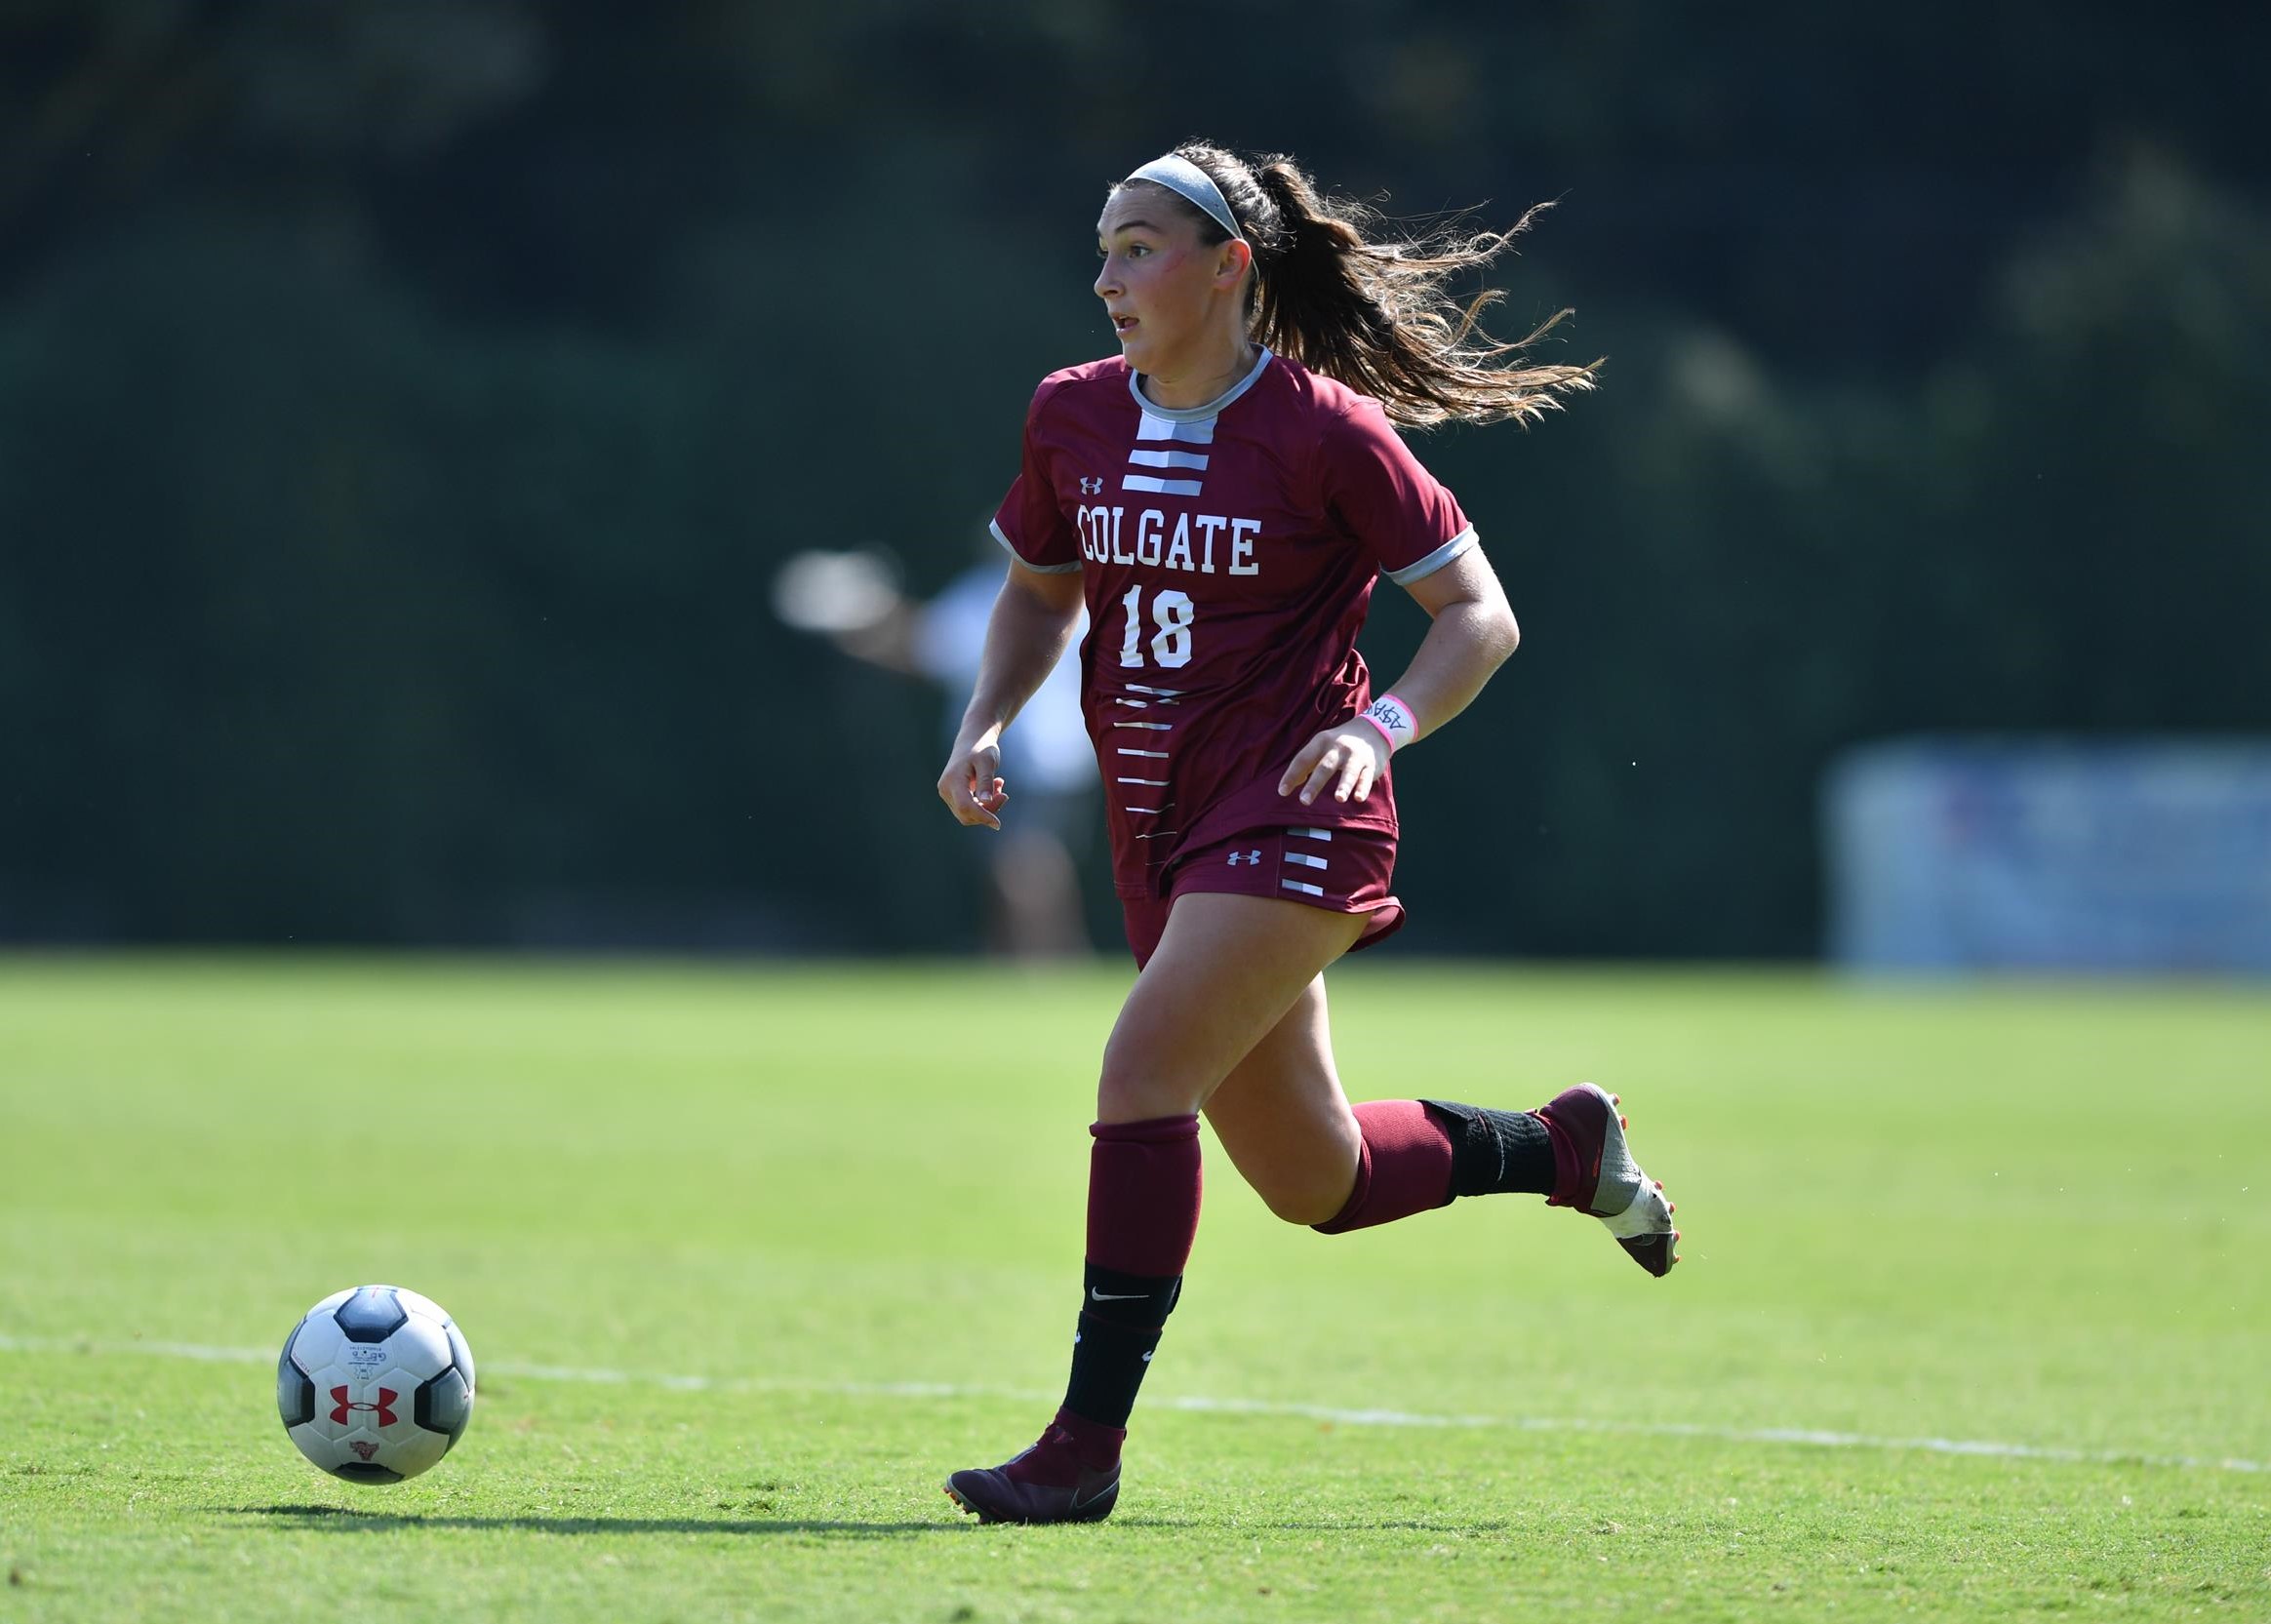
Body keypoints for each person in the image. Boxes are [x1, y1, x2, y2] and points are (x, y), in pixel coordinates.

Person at [935, 142, 1680, 1526]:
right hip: (1158, 829)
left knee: (1139, 1068)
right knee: (1315, 1178)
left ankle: (1080, 1446)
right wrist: (983, 721)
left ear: (1230, 268)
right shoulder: (1071, 416)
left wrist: (1380, 727)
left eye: (1140, 247)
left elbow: (1479, 617)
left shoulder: (1327, 432)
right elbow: (1041, 593)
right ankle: (1563, 1149)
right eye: (1102, 247)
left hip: (1298, 816)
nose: (1106, 277)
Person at [817, 535, 1097, 957]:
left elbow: (929, 648)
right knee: (1034, 856)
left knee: (1021, 859)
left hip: (1021, 750)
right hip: (1070, 750)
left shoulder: (996, 593)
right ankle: (1025, 955)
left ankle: (1045, 958)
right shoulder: (1076, 594)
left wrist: (865, 626)